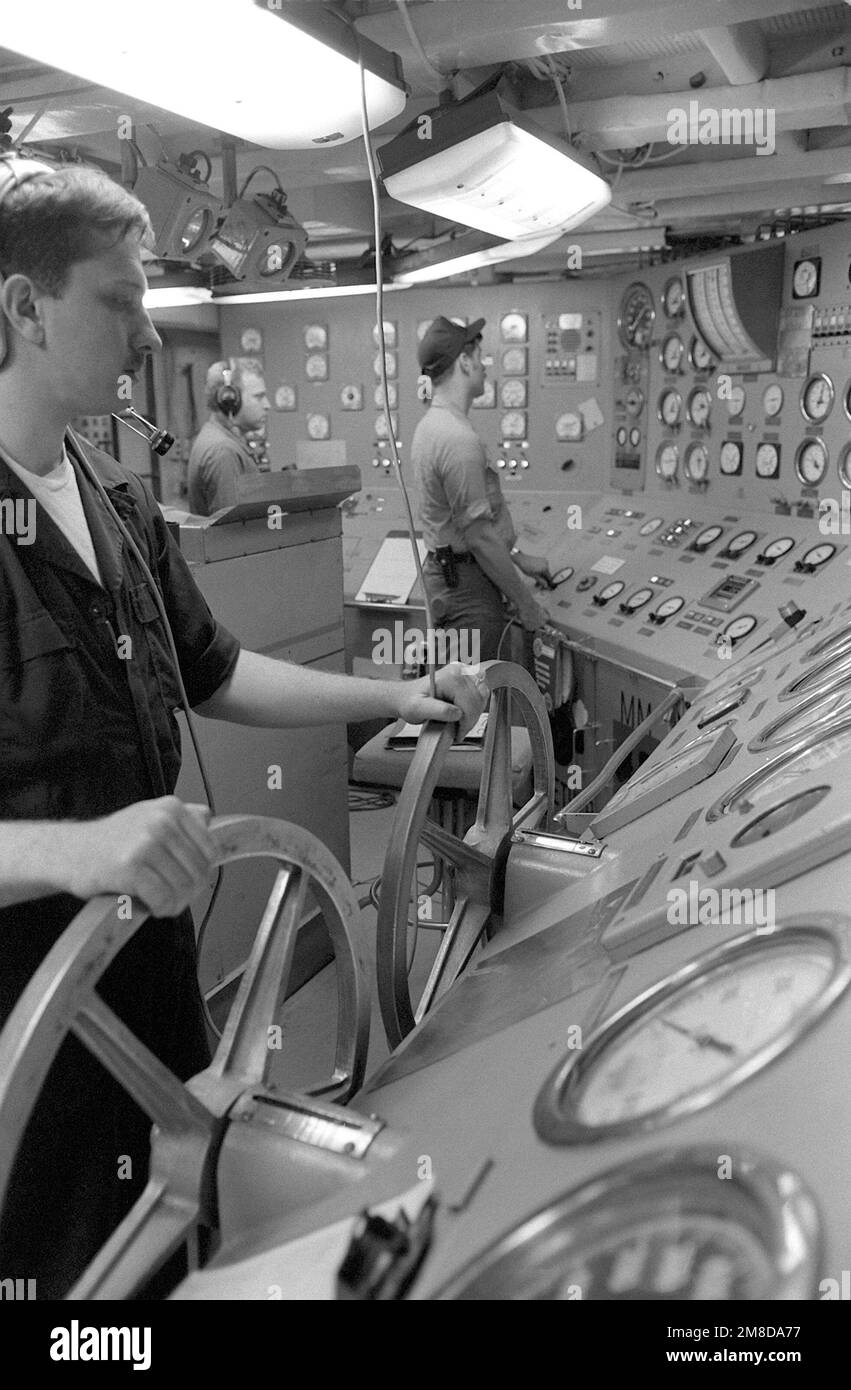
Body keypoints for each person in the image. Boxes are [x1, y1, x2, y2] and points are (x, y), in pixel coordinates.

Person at [0, 158, 483, 1297]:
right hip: (31, 1019)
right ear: (22, 307)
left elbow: (215, 674)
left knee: (173, 1245)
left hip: (149, 981)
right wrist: (70, 849)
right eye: (120, 302)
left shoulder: (116, 500)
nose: (148, 338)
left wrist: (392, 697)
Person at [411, 316, 550, 664]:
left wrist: (518, 559)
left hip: (451, 577)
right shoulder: (458, 440)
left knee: (458, 695)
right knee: (472, 705)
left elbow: (464, 526)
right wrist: (526, 603)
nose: (485, 367)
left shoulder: (431, 427)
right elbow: (478, 537)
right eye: (481, 357)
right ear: (465, 361)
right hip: (470, 592)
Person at [186, 358, 269, 514]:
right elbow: (232, 530)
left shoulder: (222, 440)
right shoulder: (223, 452)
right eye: (259, 397)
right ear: (230, 399)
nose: (267, 405)